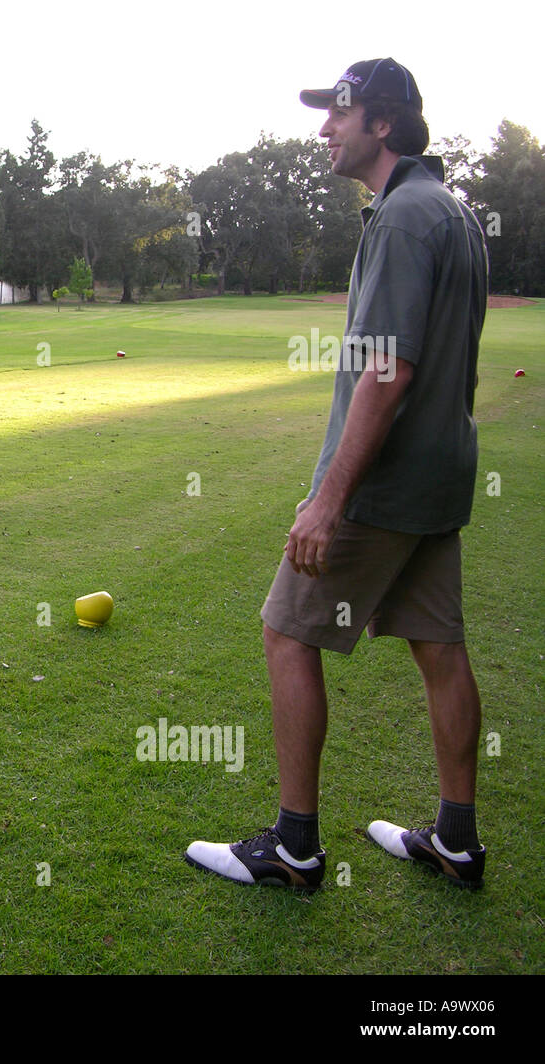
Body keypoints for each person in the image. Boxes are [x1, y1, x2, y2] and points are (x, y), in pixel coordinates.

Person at [186, 59, 490, 891]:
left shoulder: (401, 220)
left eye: (338, 115)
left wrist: (328, 498)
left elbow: (386, 375)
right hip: (439, 478)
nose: (324, 130)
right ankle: (456, 840)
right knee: (440, 647)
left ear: (381, 124)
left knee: (286, 631)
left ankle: (293, 846)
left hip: (383, 485)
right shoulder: (452, 210)